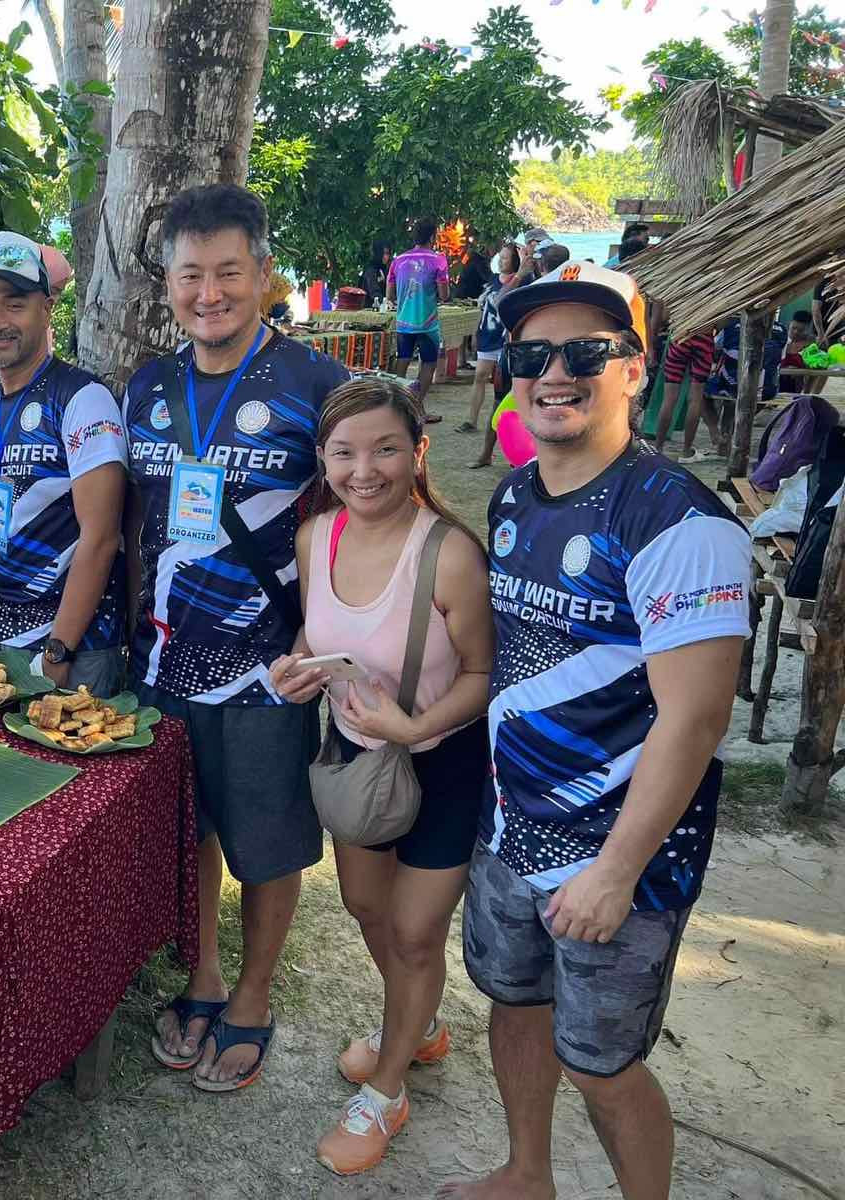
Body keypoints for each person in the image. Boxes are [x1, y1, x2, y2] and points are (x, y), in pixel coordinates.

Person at [441, 262, 750, 1200]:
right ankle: (526, 1173)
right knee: (514, 1008)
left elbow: (694, 719)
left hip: (620, 859)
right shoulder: (515, 498)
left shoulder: (681, 522)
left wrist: (614, 872)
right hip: (510, 829)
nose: (554, 372)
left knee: (602, 1066)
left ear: (635, 369)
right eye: (532, 353)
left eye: (586, 351)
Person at [124, 184, 349, 1092]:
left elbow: (358, 527)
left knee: (266, 835)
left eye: (227, 272)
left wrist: (325, 646)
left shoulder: (317, 387)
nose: (207, 293)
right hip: (162, 658)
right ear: (169, 286)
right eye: (190, 276)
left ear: (263, 273)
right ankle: (204, 973)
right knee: (194, 827)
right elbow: (136, 520)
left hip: (269, 664)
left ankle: (253, 994)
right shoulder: (145, 386)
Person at [270, 377, 492, 1174]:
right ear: (323, 460)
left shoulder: (451, 553)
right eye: (344, 453)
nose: (365, 470)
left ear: (417, 452)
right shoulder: (314, 538)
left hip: (446, 760)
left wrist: (419, 725)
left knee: (412, 929)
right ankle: (419, 1022)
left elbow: (480, 674)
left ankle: (389, 1088)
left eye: (386, 449)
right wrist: (295, 667)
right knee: (368, 907)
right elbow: (315, 627)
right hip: (359, 758)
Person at [0, 232, 128, 693]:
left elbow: (101, 538)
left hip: (75, 650)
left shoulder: (81, 398)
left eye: (14, 304)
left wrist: (58, 651)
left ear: (47, 308)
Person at [387, 219, 450, 422]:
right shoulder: (438, 260)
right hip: (427, 323)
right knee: (428, 364)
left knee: (402, 362)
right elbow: (444, 294)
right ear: (432, 237)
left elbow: (390, 295)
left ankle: (395, 409)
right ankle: (417, 409)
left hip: (404, 322)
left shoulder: (398, 260)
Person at [460, 244, 519, 435]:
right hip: (487, 333)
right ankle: (471, 419)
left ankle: (502, 423)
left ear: (514, 260)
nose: (502, 261)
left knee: (503, 383)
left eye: (506, 258)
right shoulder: (492, 280)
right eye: (500, 257)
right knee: (480, 375)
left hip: (505, 337)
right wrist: (476, 332)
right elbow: (483, 307)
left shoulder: (520, 281)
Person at [652, 327, 719, 464]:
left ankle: (658, 448)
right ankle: (686, 451)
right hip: (704, 339)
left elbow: (666, 315)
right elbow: (722, 322)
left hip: (680, 337)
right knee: (695, 398)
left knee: (669, 398)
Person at [360, 243, 392, 309]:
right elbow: (374, 292)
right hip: (369, 308)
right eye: (384, 253)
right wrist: (385, 303)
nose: (386, 257)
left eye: (387, 253)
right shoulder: (371, 270)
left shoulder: (385, 269)